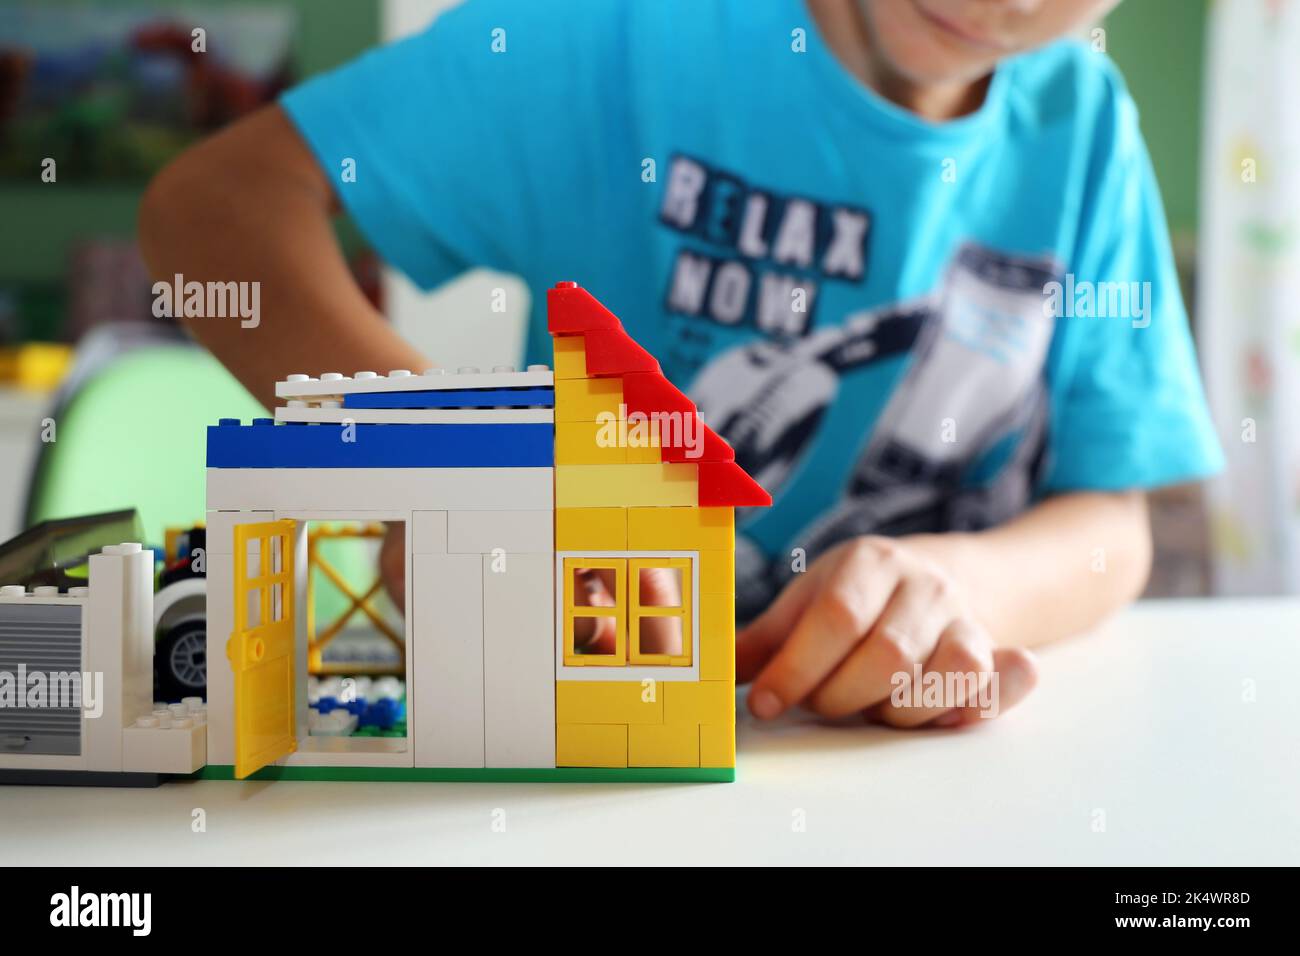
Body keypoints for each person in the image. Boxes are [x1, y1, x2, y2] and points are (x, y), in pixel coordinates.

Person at [140, 0, 1222, 729]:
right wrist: (435, 468)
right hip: (590, 740)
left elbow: (1113, 524)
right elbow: (210, 213)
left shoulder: (1083, 133)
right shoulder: (619, 36)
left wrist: (961, 585)